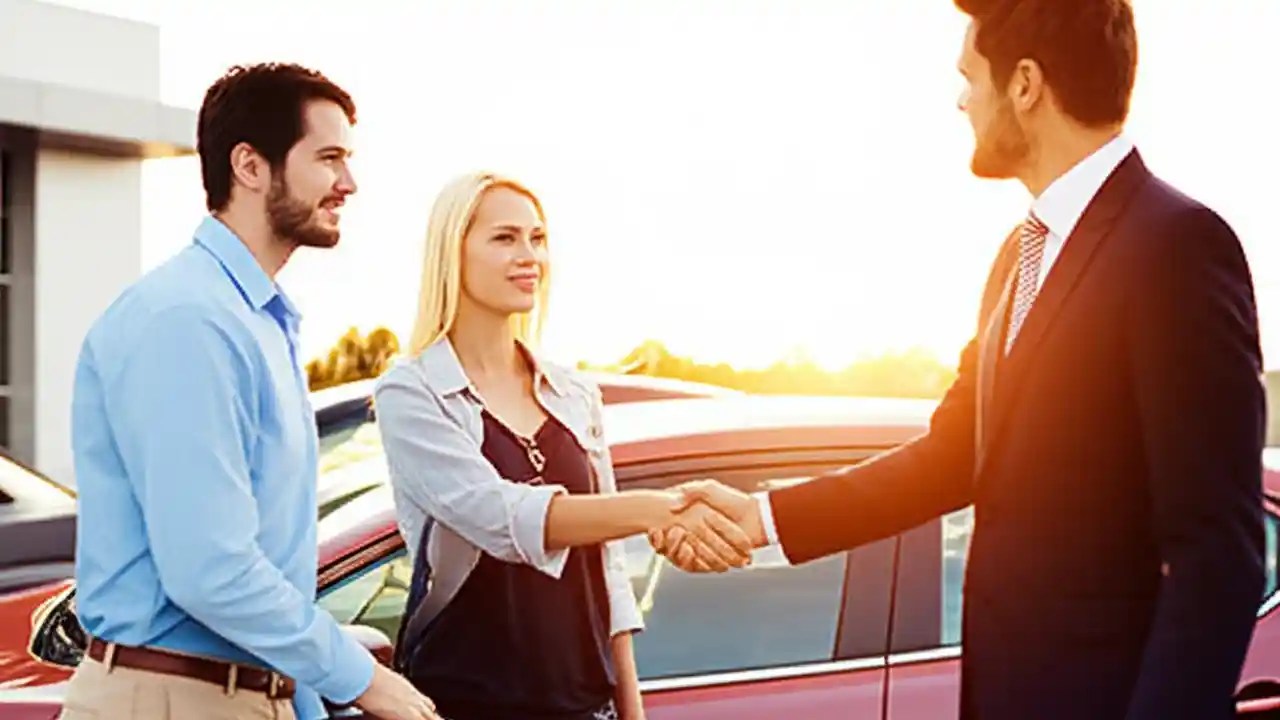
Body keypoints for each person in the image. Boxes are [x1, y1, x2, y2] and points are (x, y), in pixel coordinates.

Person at [654, 2, 1267, 719]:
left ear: (1026, 85)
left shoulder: (1178, 246)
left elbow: (1216, 557)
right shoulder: (1019, 256)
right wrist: (761, 516)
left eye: (970, 77)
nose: (961, 100)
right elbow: (952, 457)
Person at [64, 63, 438, 720]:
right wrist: (366, 681)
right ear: (250, 166)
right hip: (169, 701)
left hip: (237, 696)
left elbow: (267, 568)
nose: (348, 183)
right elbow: (208, 567)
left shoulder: (254, 321)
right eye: (328, 158)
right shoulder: (188, 320)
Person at [373, 171, 753, 720]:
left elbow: (607, 573)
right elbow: (495, 515)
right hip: (462, 704)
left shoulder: (575, 393)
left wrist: (631, 711)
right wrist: (655, 509)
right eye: (504, 238)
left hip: (585, 705)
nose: (530, 255)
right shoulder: (411, 392)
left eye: (538, 238)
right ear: (452, 251)